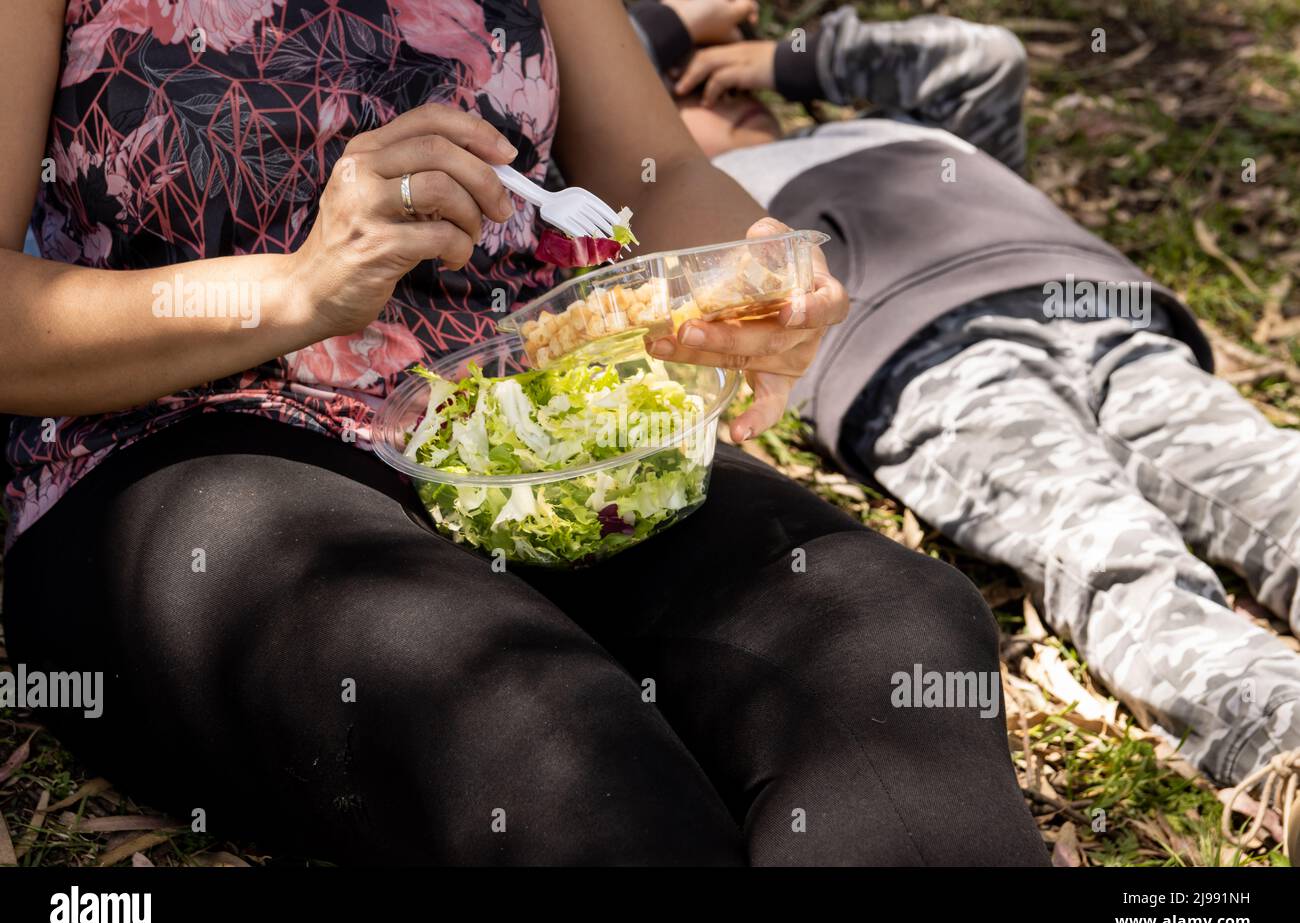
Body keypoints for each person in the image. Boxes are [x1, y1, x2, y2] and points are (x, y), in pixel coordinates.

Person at [0, 1, 1048, 865]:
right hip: (180, 438)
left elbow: (658, 173)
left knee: (885, 624)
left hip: (526, 420)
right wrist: (299, 289)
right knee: (538, 733)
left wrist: (743, 278)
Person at [633, 0, 1300, 857]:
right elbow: (571, 77)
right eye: (690, 79)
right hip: (926, 368)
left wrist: (786, 61)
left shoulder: (909, 132)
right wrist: (669, 26)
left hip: (1108, 317)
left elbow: (981, 56)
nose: (724, 87)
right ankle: (1281, 734)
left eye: (729, 65)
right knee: (1107, 548)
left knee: (1272, 477)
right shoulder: (675, 220)